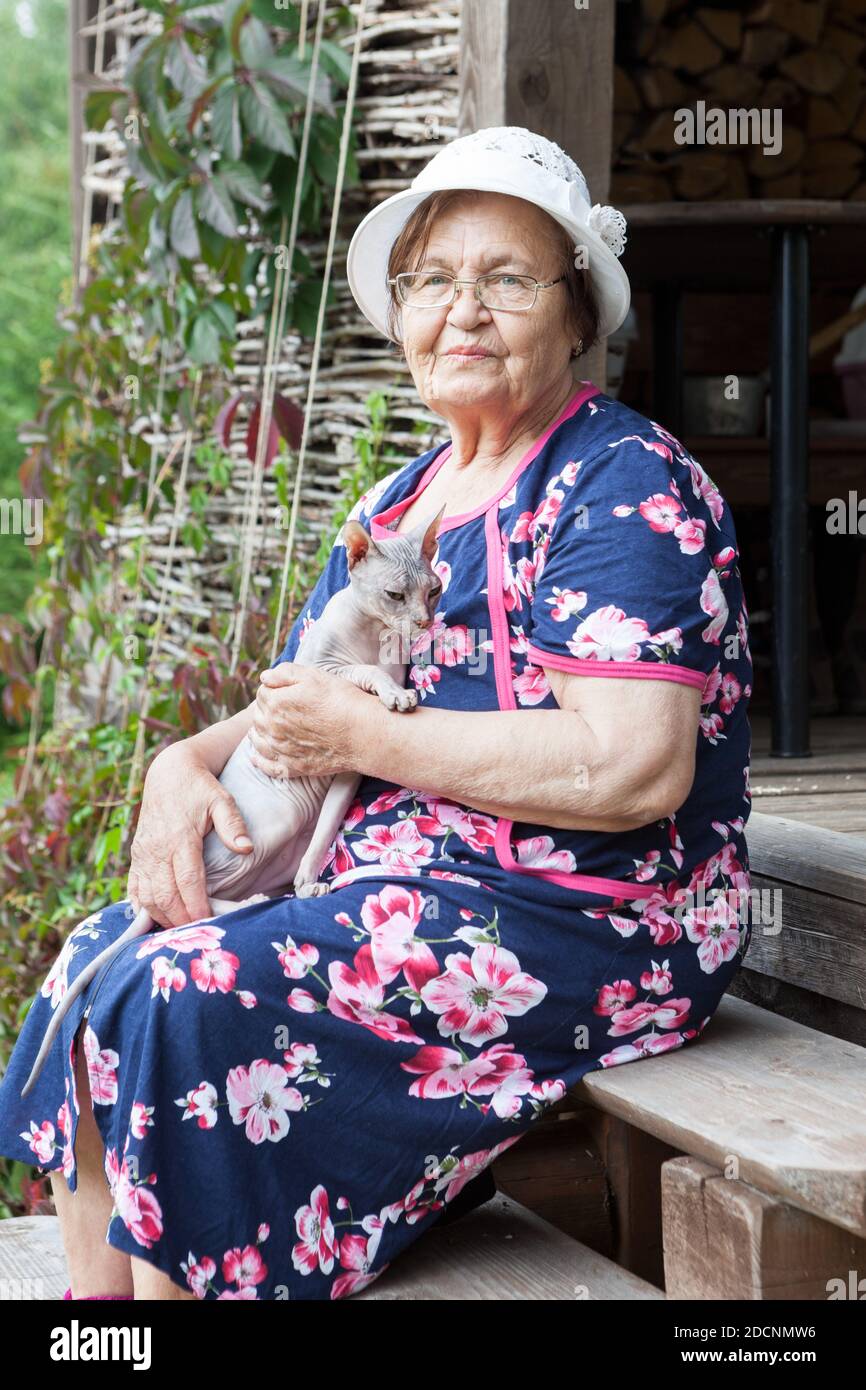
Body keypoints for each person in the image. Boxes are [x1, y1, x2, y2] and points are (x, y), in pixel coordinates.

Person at [0, 126, 753, 1301]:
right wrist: (174, 768)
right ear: (399, 313)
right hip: (393, 890)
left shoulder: (622, 483)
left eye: (505, 280)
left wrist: (373, 741)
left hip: (581, 915)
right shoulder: (401, 499)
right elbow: (304, 697)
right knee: (108, 953)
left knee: (186, 995)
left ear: (575, 317)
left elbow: (633, 768)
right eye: (433, 281)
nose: (464, 311)